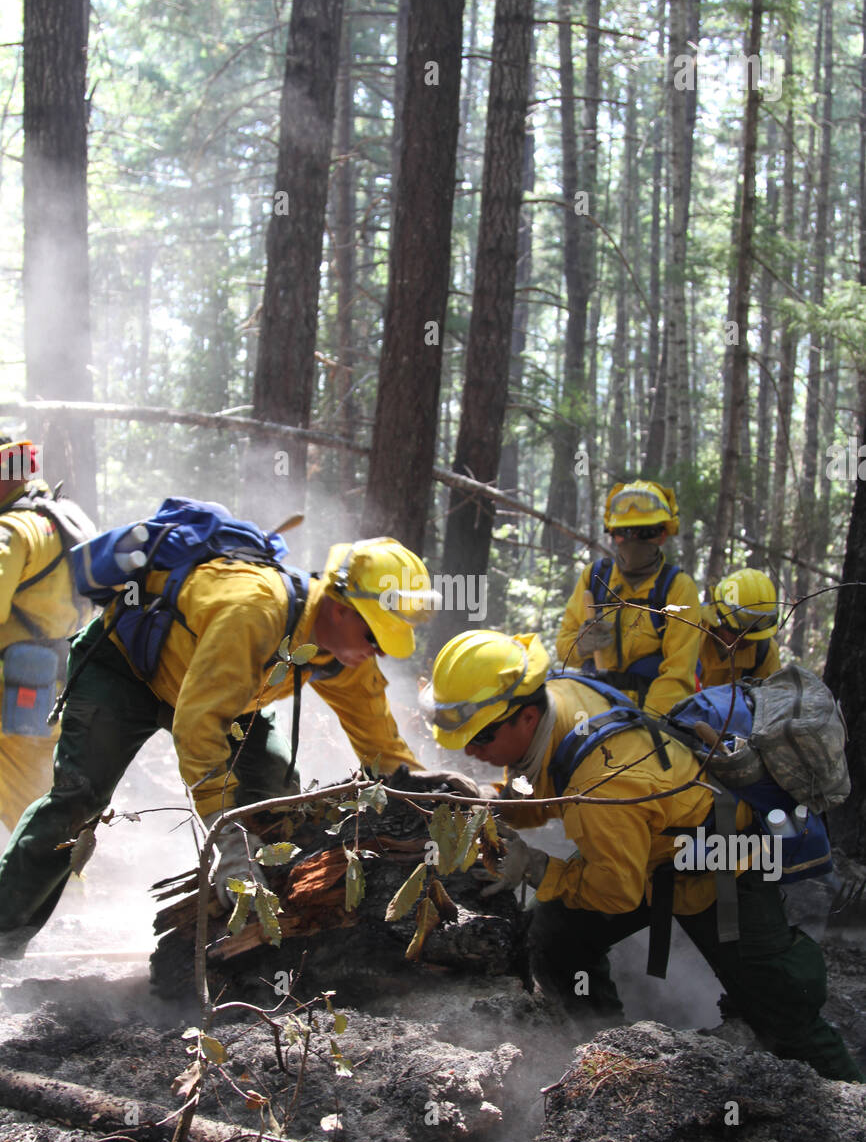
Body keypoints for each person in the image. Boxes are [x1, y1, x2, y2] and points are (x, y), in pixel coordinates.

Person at [422, 629, 864, 1083]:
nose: (470, 750)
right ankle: (603, 1055)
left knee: (782, 1011)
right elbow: (548, 787)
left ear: (527, 717)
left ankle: (850, 1107)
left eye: (481, 736)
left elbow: (615, 892)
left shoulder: (602, 782)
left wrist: (537, 867)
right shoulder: (561, 696)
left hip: (722, 868)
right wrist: (490, 804)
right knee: (555, 939)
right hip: (649, 850)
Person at [0, 532, 436, 958]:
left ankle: (259, 931)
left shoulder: (344, 655)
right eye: (375, 636)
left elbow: (381, 745)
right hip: (124, 671)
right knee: (79, 800)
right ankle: (4, 930)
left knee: (276, 790)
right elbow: (198, 727)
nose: (377, 652)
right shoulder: (255, 612)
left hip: (220, 692)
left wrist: (428, 800)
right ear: (340, 607)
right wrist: (228, 838)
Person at [0, 438, 93, 833]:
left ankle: (62, 894)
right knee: (43, 811)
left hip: (11, 701)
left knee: (35, 828)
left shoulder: (12, 530)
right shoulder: (69, 521)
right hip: (57, 691)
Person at [556, 480, 700, 714]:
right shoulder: (594, 579)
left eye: (645, 533)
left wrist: (649, 729)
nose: (633, 541)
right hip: (596, 706)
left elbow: (678, 674)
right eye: (624, 533)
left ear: (662, 535)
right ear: (612, 534)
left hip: (652, 711)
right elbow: (563, 652)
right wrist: (580, 645)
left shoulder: (677, 588)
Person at [699, 567, 781, 689]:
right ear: (720, 617)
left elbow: (771, 700)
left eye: (754, 633)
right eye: (740, 634)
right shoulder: (691, 629)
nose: (748, 641)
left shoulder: (765, 652)